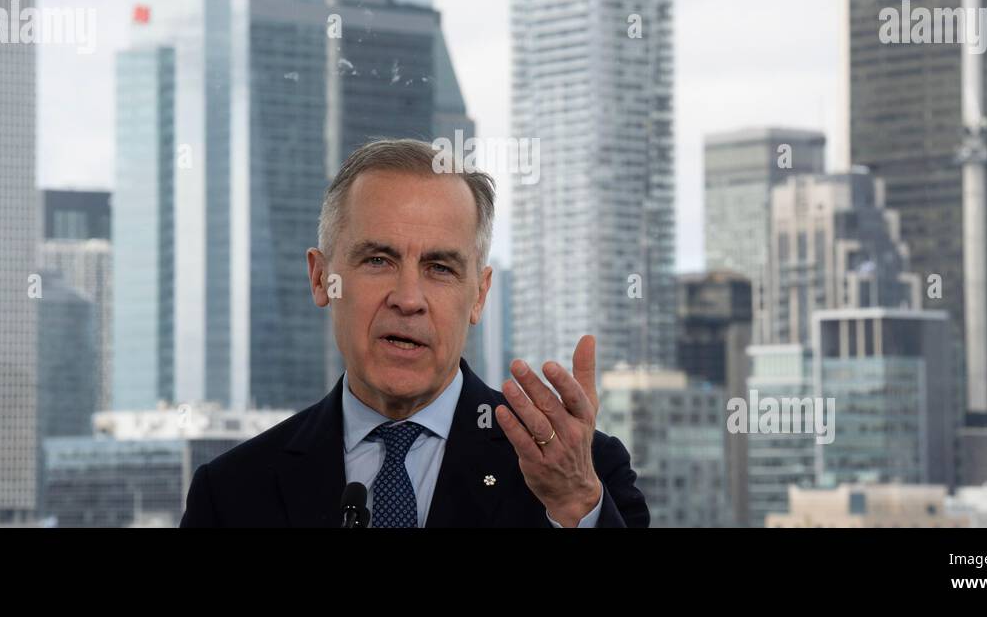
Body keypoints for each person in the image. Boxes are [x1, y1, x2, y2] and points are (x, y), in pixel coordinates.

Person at [179, 138, 649, 527]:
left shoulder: (586, 474)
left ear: (479, 295)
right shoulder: (231, 493)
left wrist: (573, 506)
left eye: (440, 268)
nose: (408, 298)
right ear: (321, 278)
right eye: (378, 260)